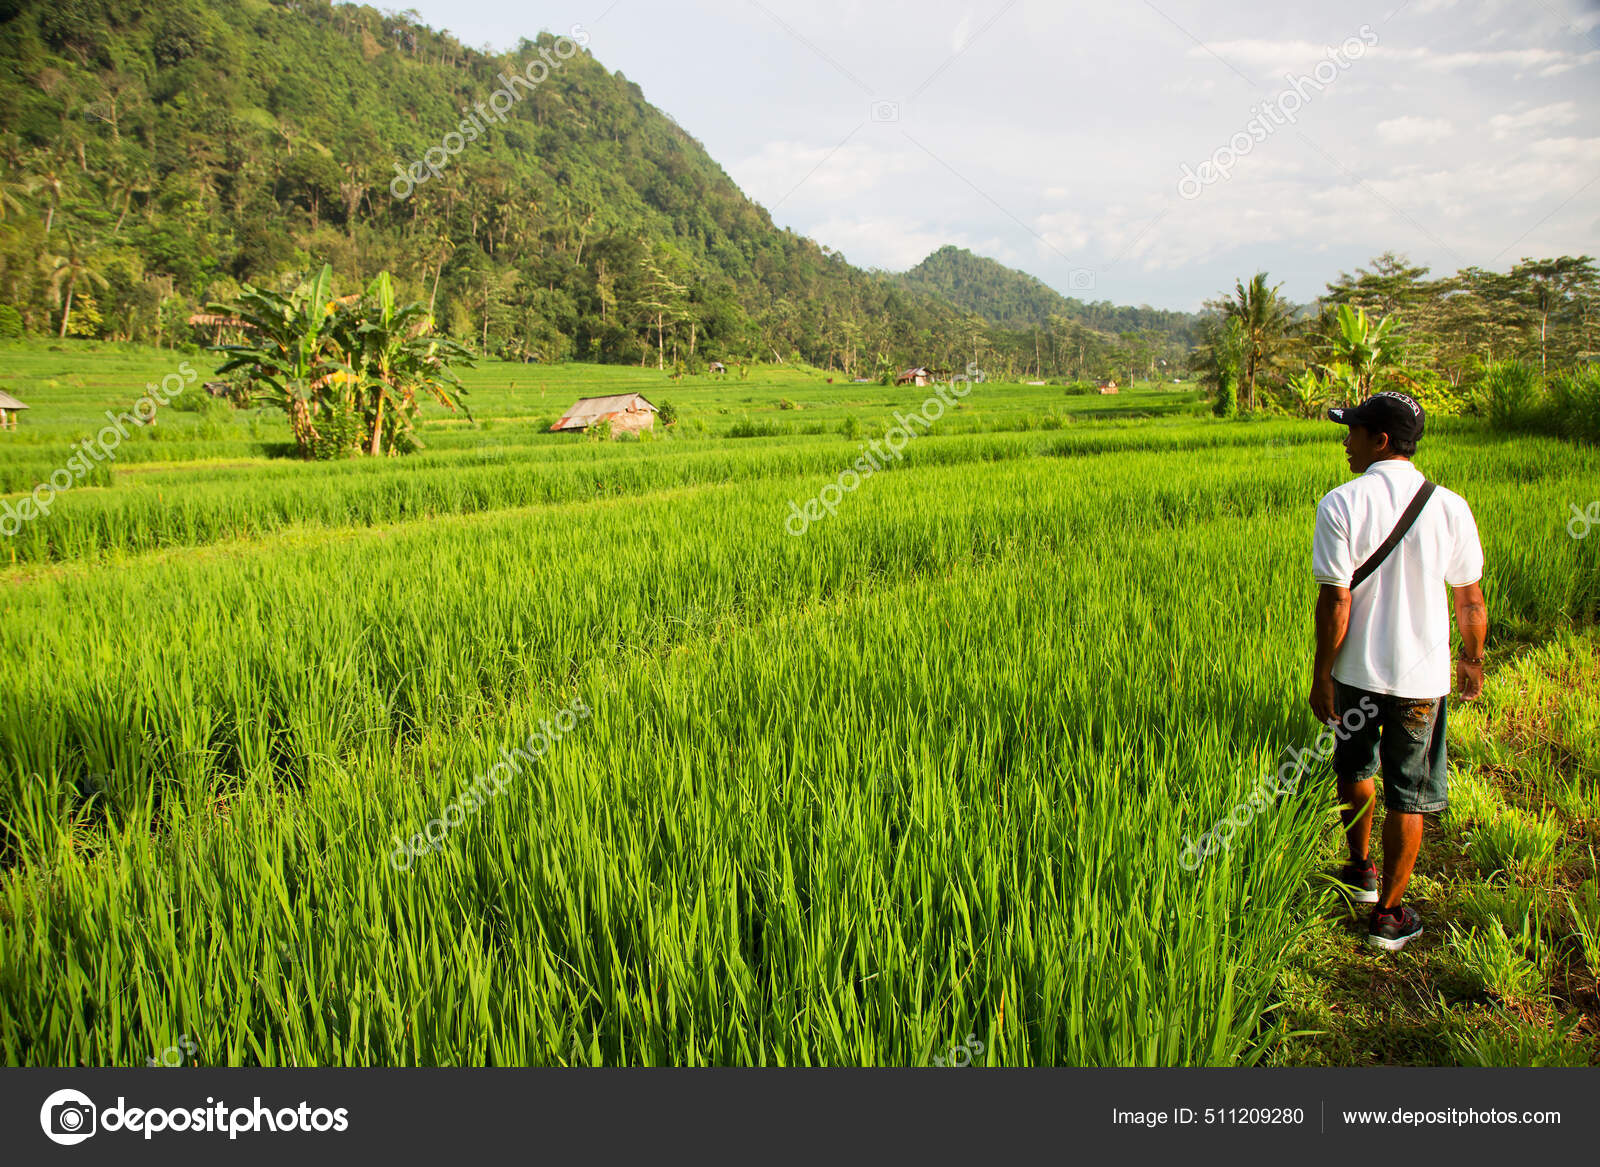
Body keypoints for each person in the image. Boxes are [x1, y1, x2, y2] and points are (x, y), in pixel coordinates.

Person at [1308, 391, 1488, 952]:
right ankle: (1388, 914)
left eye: (1354, 430)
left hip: (1356, 673)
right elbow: (1471, 599)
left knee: (1355, 764)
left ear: (1379, 441)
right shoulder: (1451, 506)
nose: (1346, 439)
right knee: (1407, 793)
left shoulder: (1340, 503)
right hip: (1421, 681)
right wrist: (1472, 659)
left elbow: (1337, 602)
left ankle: (1360, 869)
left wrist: (1321, 674)